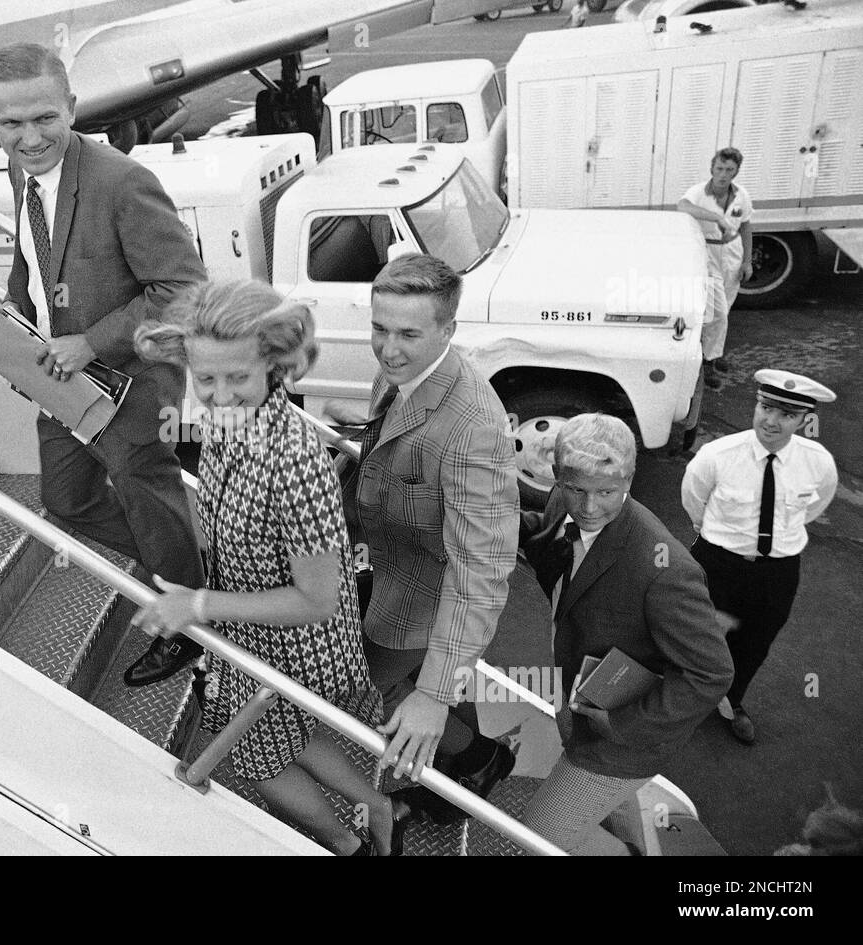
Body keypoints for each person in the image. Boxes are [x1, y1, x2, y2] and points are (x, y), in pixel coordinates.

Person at [131, 280, 400, 855]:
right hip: (251, 629)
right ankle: (380, 809)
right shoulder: (230, 423)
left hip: (295, 644)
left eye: (238, 377)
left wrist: (198, 605)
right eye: (205, 378)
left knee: (257, 758)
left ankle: (348, 845)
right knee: (285, 737)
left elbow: (317, 600)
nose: (220, 395)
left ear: (273, 366)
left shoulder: (296, 462)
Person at [0, 43, 207, 687]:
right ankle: (190, 570)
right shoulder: (22, 173)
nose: (31, 138)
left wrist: (92, 342)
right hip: (61, 378)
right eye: (12, 123)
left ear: (73, 108)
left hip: (132, 380)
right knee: (67, 498)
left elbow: (183, 289)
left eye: (45, 118)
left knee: (147, 493)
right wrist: (16, 313)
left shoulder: (121, 181)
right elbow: (34, 254)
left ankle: (187, 621)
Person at [336, 253, 520, 823]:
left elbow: (481, 573)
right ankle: (478, 758)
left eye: (408, 334)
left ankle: (476, 759)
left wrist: (437, 696)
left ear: (448, 330)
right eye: (379, 328)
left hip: (423, 600)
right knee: (402, 684)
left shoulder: (473, 429)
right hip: (386, 565)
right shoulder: (398, 374)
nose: (388, 349)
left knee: (360, 686)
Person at [520, 413, 733, 855]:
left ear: (629, 480)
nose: (589, 507)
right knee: (613, 814)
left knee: (535, 840)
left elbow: (711, 674)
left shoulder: (666, 570)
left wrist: (622, 724)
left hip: (622, 739)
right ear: (557, 476)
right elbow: (549, 536)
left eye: (606, 492)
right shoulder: (565, 500)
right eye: (576, 489)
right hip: (579, 702)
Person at [681, 369, 837, 745]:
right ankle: (680, 703)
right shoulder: (717, 455)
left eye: (787, 414)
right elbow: (694, 502)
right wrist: (719, 537)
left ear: (804, 420)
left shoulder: (818, 462)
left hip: (778, 572)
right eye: (766, 408)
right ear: (756, 405)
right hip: (718, 563)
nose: (771, 421)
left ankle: (731, 700)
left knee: (755, 641)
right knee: (695, 637)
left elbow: (813, 507)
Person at [678, 148, 754, 391]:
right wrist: (716, 217)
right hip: (708, 253)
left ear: (736, 172)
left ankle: (712, 351)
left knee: (725, 308)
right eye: (719, 169)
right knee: (717, 311)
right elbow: (683, 206)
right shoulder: (699, 192)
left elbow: (746, 226)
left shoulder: (741, 195)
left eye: (729, 170)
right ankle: (708, 361)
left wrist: (747, 261)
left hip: (732, 252)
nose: (723, 174)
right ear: (712, 168)